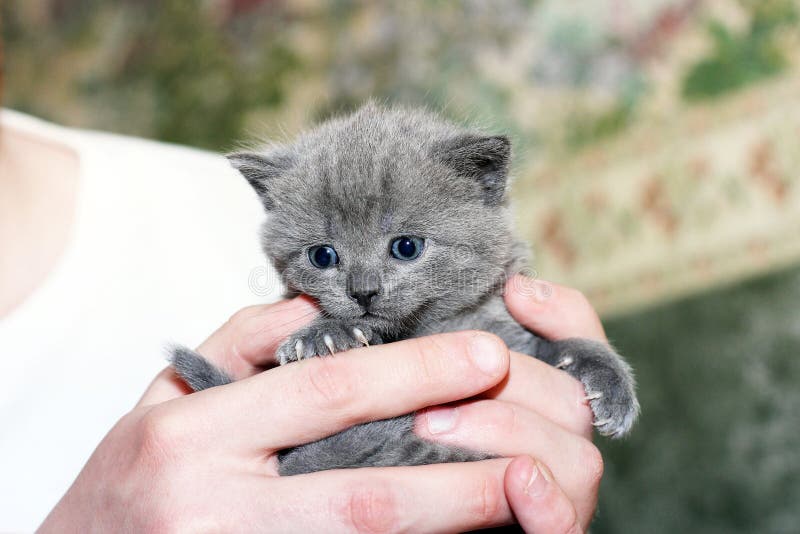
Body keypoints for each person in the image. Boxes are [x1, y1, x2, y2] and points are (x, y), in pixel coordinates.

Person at [1, 108, 607, 532]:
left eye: (403, 249)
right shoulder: (263, 256)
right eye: (324, 259)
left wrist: (578, 372)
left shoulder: (188, 186)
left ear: (484, 185)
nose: (364, 288)